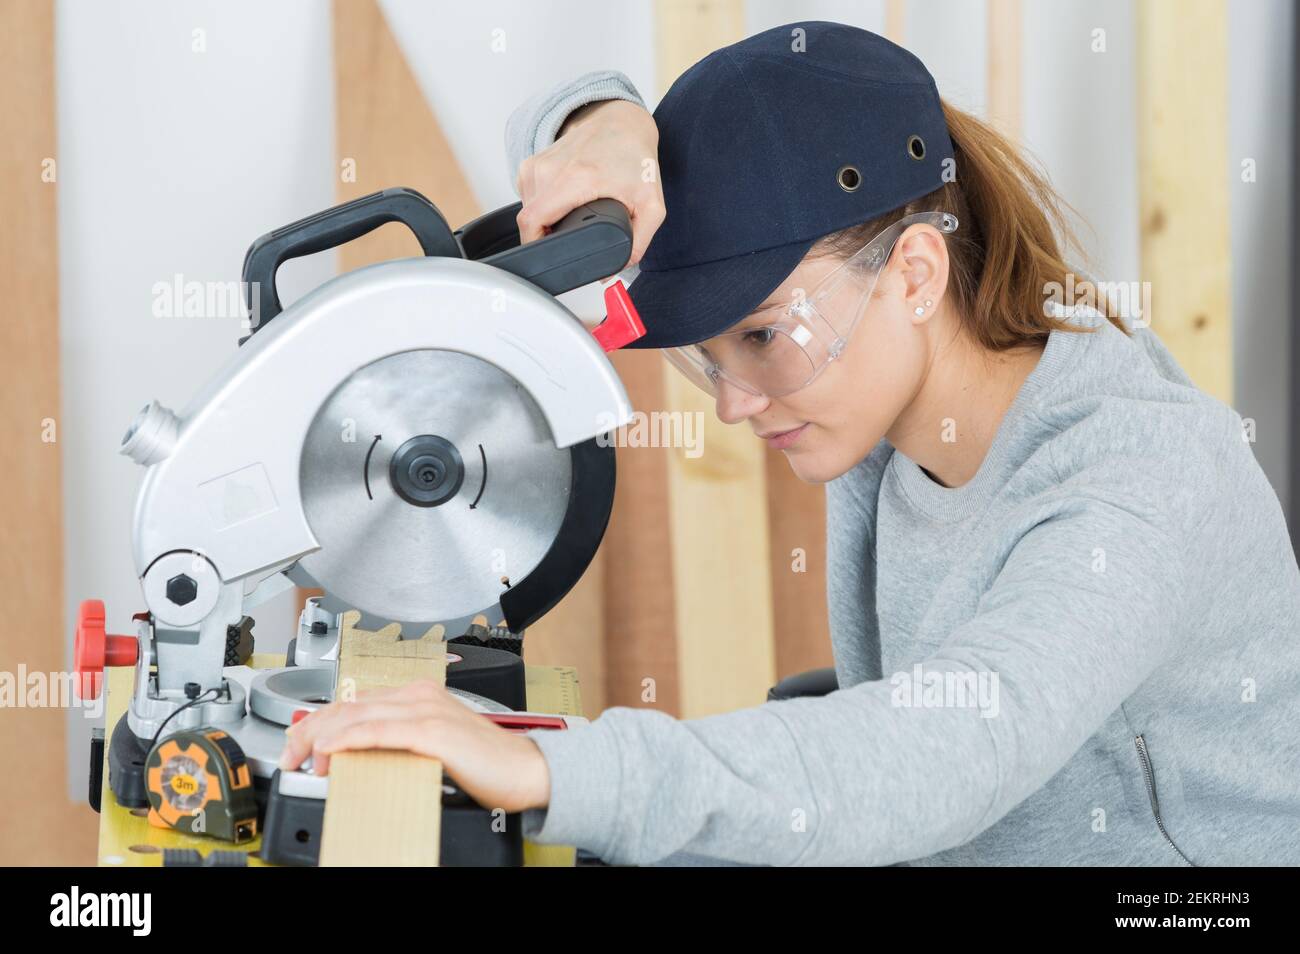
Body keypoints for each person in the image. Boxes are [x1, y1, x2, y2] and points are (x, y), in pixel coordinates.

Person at [280, 22, 1300, 866]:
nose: (733, 404)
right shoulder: (890, 394)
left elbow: (954, 747)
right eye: (706, 360)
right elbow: (544, 124)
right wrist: (606, 123)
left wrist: (558, 767)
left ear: (912, 272)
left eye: (762, 339)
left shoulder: (1138, 483)